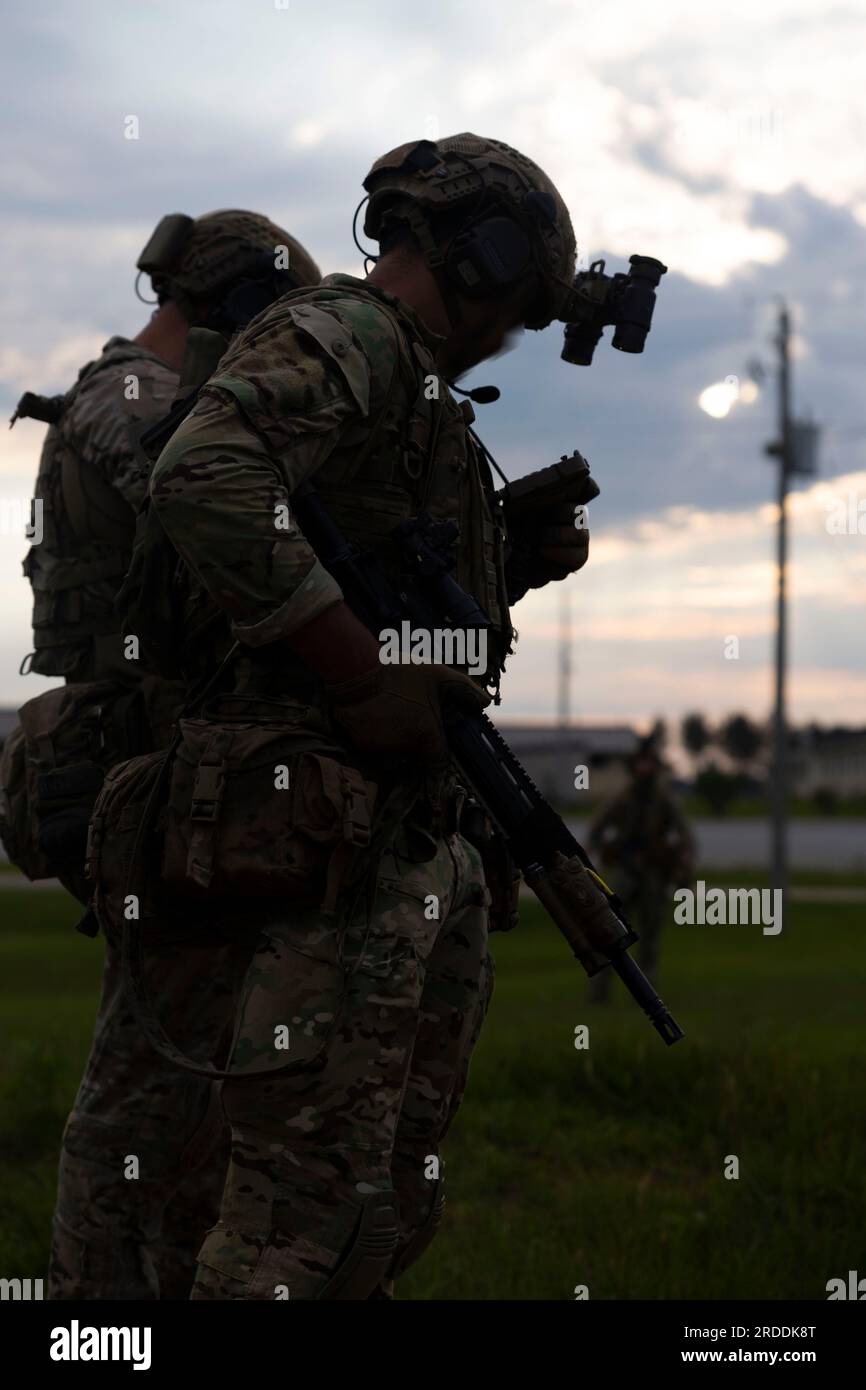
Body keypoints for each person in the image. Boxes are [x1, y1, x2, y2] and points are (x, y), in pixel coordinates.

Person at [111, 133, 590, 1300]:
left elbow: (373, 577)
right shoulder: (356, 336)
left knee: (363, 1208)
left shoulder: (411, 380)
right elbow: (204, 473)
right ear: (480, 257)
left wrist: (498, 571)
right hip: (313, 842)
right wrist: (356, 669)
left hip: (377, 839)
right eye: (517, 303)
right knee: (294, 1224)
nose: (513, 332)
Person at [17, 211, 322, 1300]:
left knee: (194, 1100)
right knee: (139, 1097)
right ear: (238, 303)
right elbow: (221, 503)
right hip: (138, 770)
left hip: (174, 770)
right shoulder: (134, 398)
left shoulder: (157, 399)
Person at [588, 738, 696, 1003]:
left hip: (652, 873)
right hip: (624, 871)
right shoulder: (621, 798)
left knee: (650, 936)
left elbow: (685, 837)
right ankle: (600, 992)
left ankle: (648, 995)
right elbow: (596, 831)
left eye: (649, 763)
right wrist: (606, 853)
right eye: (641, 763)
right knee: (611, 932)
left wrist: (682, 866)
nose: (645, 768)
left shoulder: (664, 800)